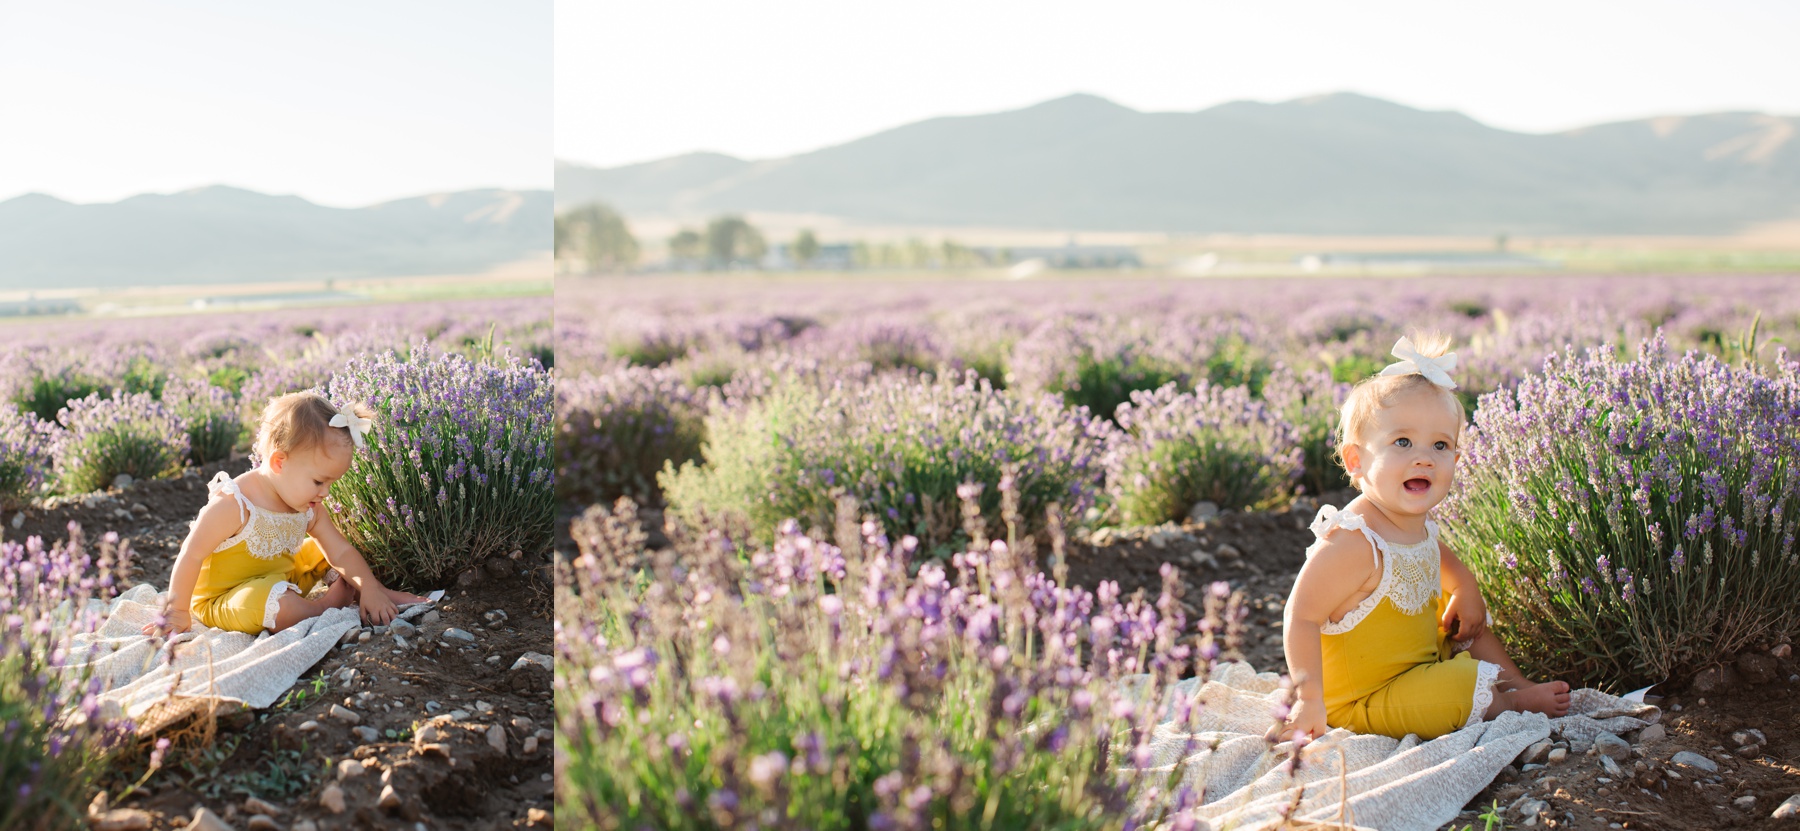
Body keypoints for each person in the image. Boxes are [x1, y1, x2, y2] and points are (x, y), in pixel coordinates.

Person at [1276, 334, 1570, 742]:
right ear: (1356, 461)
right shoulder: (1353, 540)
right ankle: (1509, 704)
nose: (1424, 457)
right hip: (1365, 698)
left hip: (1417, 666)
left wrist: (1466, 589)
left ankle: (1515, 683)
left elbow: (1436, 554)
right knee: (1456, 689)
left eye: (1440, 445)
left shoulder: (1415, 524)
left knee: (1465, 623)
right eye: (1402, 442)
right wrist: (1310, 699)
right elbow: (1301, 615)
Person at [144, 391, 427, 637]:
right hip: (227, 598)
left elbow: (339, 551)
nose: (325, 493)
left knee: (326, 551)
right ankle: (322, 607)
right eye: (319, 481)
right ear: (279, 462)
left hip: (280, 579)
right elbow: (190, 554)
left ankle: (374, 592)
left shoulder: (309, 506)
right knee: (278, 605)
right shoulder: (235, 503)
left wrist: (370, 587)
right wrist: (177, 610)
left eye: (332, 483)